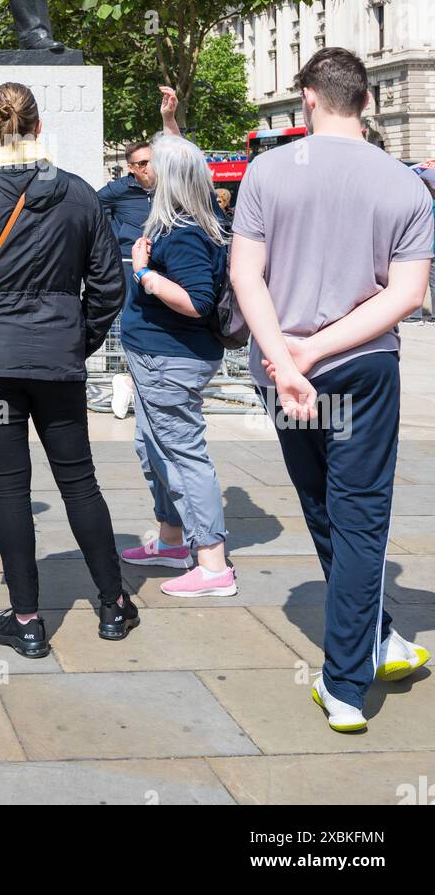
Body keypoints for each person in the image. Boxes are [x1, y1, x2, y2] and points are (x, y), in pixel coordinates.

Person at [230, 47, 433, 734]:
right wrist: (317, 348)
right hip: (362, 367)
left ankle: (359, 658)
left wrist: (289, 359)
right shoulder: (405, 183)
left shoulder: (266, 171)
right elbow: (407, 294)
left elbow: (245, 276)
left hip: (284, 369)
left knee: (324, 506)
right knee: (358, 514)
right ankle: (353, 671)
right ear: (367, 101)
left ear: (308, 97)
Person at [0, 82, 135, 657]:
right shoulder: (79, 195)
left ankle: (26, 619)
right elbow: (107, 285)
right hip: (56, 357)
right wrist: (77, 338)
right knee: (80, 482)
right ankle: (113, 605)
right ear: (39, 128)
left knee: (9, 488)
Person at [119, 133, 235, 597]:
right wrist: (170, 121)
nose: (144, 173)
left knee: (183, 455)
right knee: (152, 449)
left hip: (171, 361)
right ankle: (171, 539)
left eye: (154, 167)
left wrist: (144, 274)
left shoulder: (184, 232)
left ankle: (212, 563)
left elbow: (198, 301)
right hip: (158, 359)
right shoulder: (193, 218)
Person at [99, 87, 182, 421]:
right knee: (133, 324)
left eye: (153, 161)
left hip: (165, 267)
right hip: (129, 266)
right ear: (131, 167)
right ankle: (130, 378)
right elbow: (93, 209)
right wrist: (111, 241)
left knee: (163, 323)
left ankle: (135, 382)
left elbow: (181, 152)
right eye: (143, 164)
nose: (150, 168)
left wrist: (169, 118)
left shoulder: (169, 185)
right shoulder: (118, 191)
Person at [405, 161, 435, 322]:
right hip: (431, 245)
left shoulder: (421, 204)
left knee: (415, 280)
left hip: (422, 246)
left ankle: (415, 315)